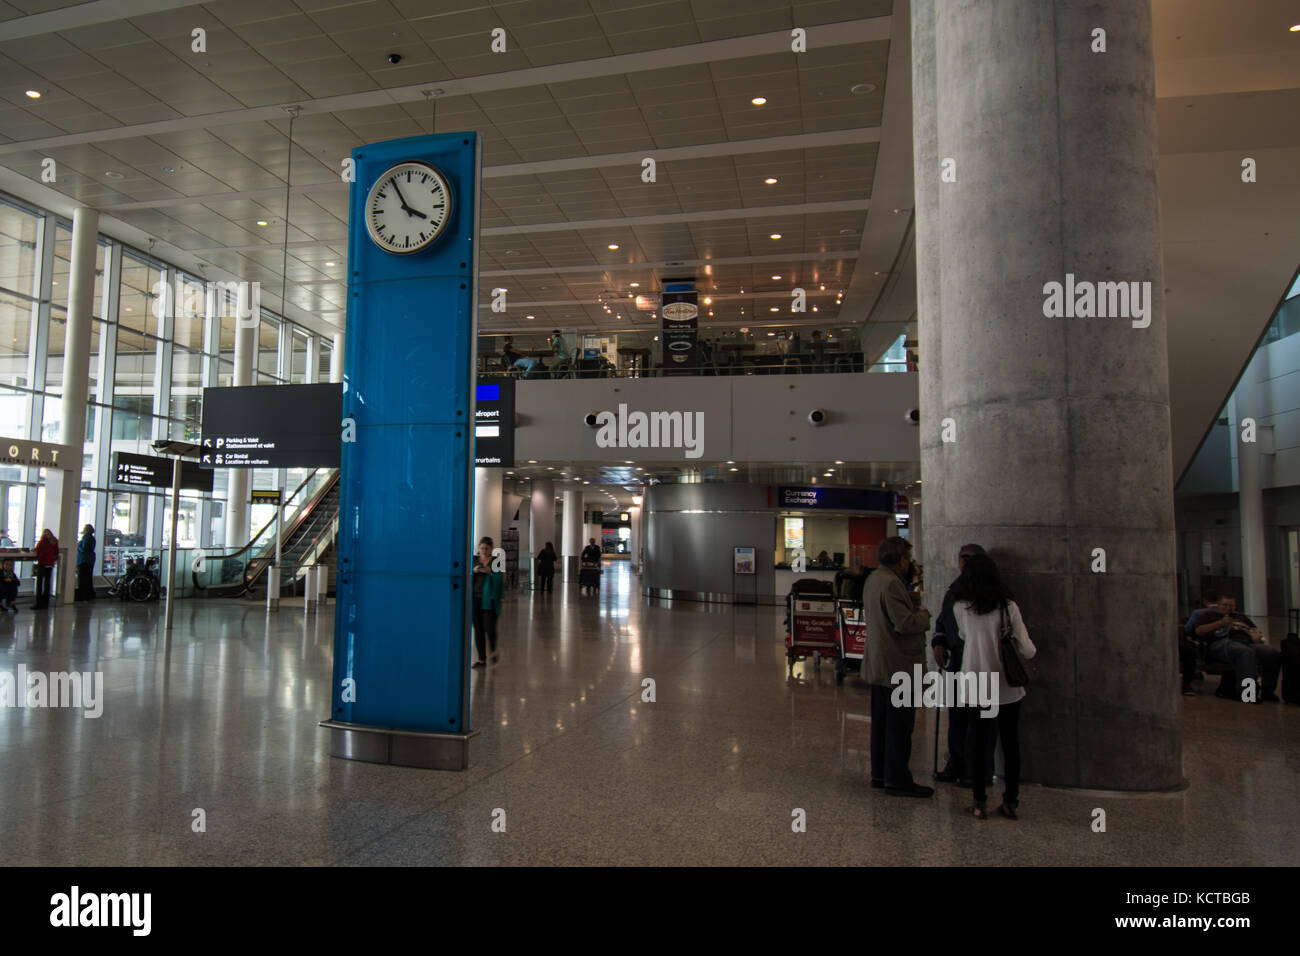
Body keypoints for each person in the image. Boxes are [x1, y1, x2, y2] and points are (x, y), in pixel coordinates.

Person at [951, 553, 1036, 820]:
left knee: (978, 742)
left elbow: (964, 637)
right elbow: (1028, 650)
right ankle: (1010, 800)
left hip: (976, 685)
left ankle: (979, 802)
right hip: (1007, 687)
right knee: (1010, 743)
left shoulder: (960, 608)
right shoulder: (1008, 607)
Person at [862, 535, 933, 797]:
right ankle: (897, 778)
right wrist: (923, 617)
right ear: (901, 559)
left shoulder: (873, 579)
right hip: (898, 666)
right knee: (900, 726)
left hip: (880, 664)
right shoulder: (892, 584)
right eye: (908, 558)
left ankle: (880, 773)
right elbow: (904, 624)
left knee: (881, 723)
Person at [932, 543, 996, 786]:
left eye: (971, 558)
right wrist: (939, 642)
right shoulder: (955, 591)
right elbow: (942, 621)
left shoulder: (996, 593)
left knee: (982, 721)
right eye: (963, 558)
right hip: (958, 660)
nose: (966, 562)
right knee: (958, 717)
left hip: (984, 663)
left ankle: (978, 769)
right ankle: (956, 763)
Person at [1191, 595, 1281, 702]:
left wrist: (1257, 637)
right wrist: (1221, 623)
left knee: (1272, 654)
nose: (1228, 608)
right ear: (1219, 605)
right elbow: (1198, 631)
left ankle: (1268, 691)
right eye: (1225, 605)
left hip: (1246, 642)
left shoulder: (1241, 617)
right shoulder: (1209, 616)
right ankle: (1247, 693)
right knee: (1246, 653)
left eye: (1231, 605)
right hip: (1221, 643)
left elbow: (1256, 631)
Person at [1181, 589, 1222, 695]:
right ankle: (1249, 694)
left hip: (1204, 645)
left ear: (1205, 601)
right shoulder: (1228, 614)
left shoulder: (1198, 613)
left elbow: (1186, 630)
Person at [471, 537, 504, 667]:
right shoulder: (473, 560)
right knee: (478, 629)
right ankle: (481, 659)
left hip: (489, 600)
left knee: (489, 627)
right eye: (482, 548)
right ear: (479, 548)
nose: (484, 550)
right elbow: (465, 573)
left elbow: (500, 579)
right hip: (475, 598)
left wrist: (490, 572)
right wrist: (474, 571)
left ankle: (494, 650)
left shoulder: (496, 561)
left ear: (491, 549)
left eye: (487, 548)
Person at [33, 528, 58, 610]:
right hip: (50, 564)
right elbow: (56, 553)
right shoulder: (54, 541)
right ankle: (45, 603)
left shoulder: (42, 541)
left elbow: (37, 550)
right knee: (47, 584)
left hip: (42, 563)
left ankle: (38, 603)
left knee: (39, 584)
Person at [76, 524, 96, 601]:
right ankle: (89, 594)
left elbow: (84, 549)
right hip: (89, 560)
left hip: (84, 561)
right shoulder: (92, 538)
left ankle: (83, 595)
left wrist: (78, 546)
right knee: (88, 578)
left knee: (82, 579)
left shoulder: (86, 538)